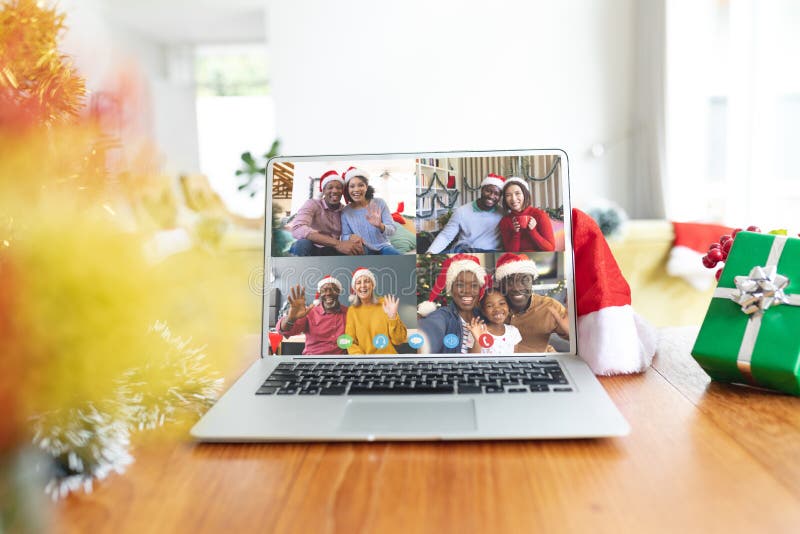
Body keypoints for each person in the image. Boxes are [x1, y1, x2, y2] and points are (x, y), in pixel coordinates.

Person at [494, 253, 569, 352]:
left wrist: (571, 333)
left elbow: (579, 341)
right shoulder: (490, 306)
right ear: (501, 285)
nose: (517, 288)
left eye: (524, 280)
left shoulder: (551, 307)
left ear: (532, 281)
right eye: (510, 281)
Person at [417, 254, 490, 354]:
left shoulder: (484, 316)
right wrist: (425, 340)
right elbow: (433, 327)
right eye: (460, 285)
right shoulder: (444, 315)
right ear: (451, 289)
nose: (467, 291)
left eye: (474, 285)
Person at [288, 170, 365, 256]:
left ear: (342, 191)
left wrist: (353, 238)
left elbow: (349, 234)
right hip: (313, 247)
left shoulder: (345, 211)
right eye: (330, 187)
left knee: (355, 249)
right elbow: (297, 228)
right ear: (324, 190)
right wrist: (337, 243)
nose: (335, 191)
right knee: (303, 243)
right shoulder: (312, 204)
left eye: (339, 188)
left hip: (332, 251)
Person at [426, 173, 504, 254]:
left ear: (500, 197)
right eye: (488, 191)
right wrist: (431, 252)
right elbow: (446, 236)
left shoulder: (503, 213)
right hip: (464, 250)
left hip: (491, 252)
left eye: (496, 194)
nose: (491, 196)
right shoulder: (461, 212)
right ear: (482, 189)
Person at [276, 276, 348, 355]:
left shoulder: (349, 313)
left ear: (339, 292)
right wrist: (290, 319)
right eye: (324, 290)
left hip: (340, 362)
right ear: (319, 293)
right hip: (313, 360)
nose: (328, 293)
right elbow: (285, 331)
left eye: (333, 289)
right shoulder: (310, 312)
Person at [344, 267, 407, 354]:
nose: (363, 285)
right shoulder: (352, 311)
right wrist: (361, 360)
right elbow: (350, 342)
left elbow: (399, 340)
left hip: (388, 359)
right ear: (355, 288)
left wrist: (393, 317)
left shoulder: (385, 304)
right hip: (364, 362)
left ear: (373, 285)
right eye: (358, 283)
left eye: (367, 281)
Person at [340, 167, 401, 255]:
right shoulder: (346, 211)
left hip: (384, 246)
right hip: (364, 248)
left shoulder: (380, 203)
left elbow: (392, 230)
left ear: (366, 187)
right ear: (348, 190)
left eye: (361, 185)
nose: (356, 189)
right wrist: (350, 236)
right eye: (352, 186)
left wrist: (380, 225)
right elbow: (343, 237)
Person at [498, 177, 555, 252]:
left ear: (525, 194)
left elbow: (550, 248)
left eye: (517, 193)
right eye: (508, 195)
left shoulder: (540, 215)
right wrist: (516, 233)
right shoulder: (505, 221)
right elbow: (511, 252)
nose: (513, 199)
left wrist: (533, 231)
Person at [465, 288, 522, 355]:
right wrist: (478, 340)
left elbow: (515, 359)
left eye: (501, 303)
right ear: (483, 311)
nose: (497, 309)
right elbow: (470, 359)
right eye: (490, 306)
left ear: (508, 306)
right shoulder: (476, 330)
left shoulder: (513, 332)